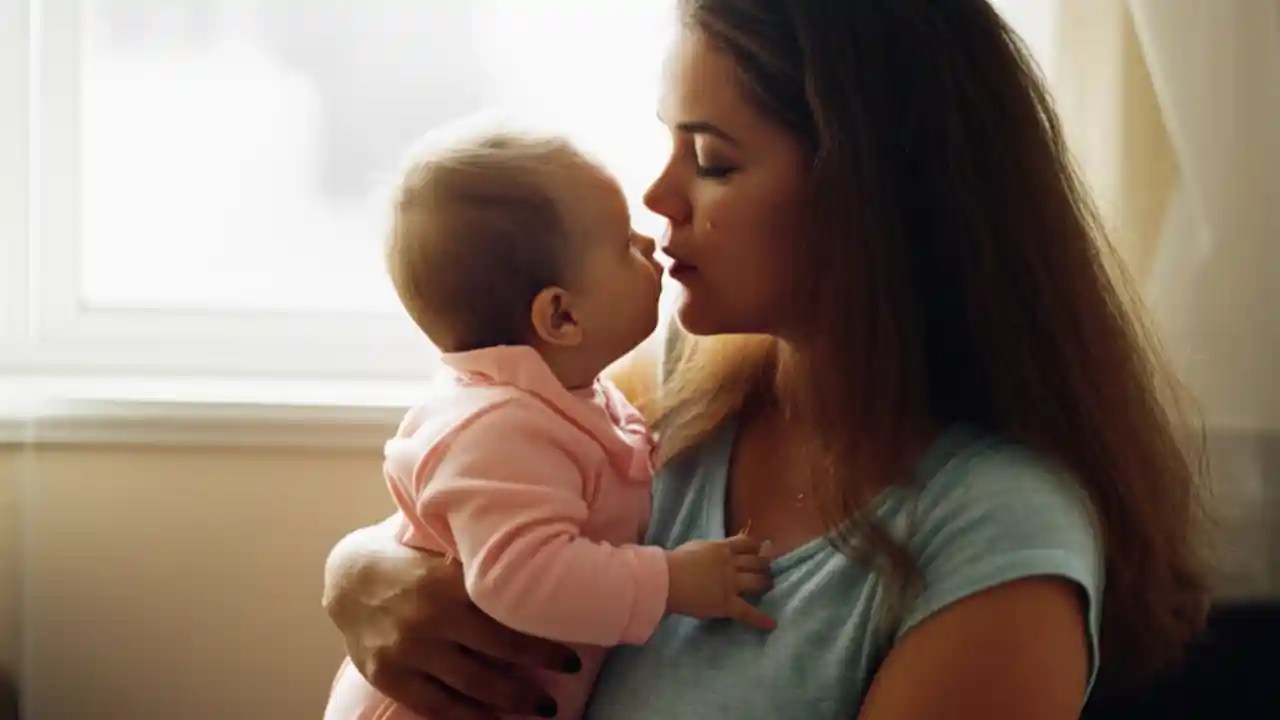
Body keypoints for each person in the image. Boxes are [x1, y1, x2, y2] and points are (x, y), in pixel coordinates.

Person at [322, 1, 1210, 718]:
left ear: (870, 191)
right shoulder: (670, 382)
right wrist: (361, 571)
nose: (658, 196)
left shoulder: (995, 540)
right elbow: (465, 485)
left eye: (710, 159)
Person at [323, 132, 775, 720]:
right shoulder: (499, 428)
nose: (647, 240)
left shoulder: (560, 400)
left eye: (714, 160)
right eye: (622, 244)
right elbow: (520, 577)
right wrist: (671, 581)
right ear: (560, 315)